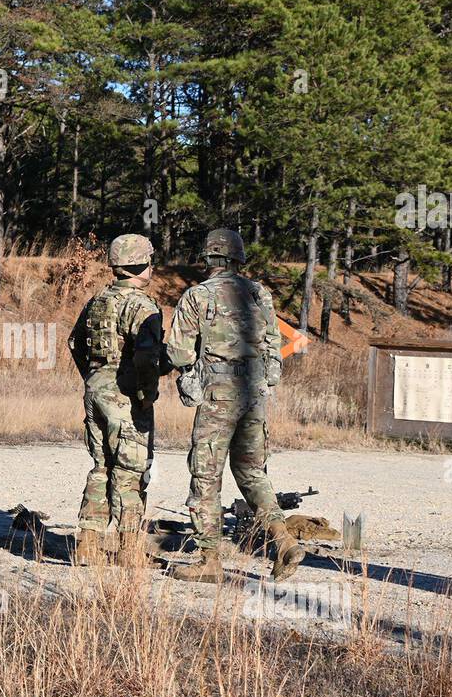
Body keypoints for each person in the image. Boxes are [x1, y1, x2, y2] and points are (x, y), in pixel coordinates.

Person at [165, 228, 304, 580]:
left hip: (218, 393)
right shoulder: (260, 294)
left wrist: (191, 373)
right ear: (237, 258)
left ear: (210, 257)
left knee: (206, 474)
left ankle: (209, 560)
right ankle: (284, 541)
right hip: (254, 394)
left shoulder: (197, 296)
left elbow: (178, 351)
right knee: (252, 472)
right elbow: (275, 348)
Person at [67, 233, 164, 565]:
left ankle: (87, 545)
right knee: (130, 471)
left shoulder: (97, 299)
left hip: (96, 389)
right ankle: (129, 551)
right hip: (125, 395)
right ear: (142, 264)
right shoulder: (142, 305)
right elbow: (148, 357)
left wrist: (93, 377)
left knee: (101, 467)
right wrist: (147, 394)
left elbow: (74, 342)